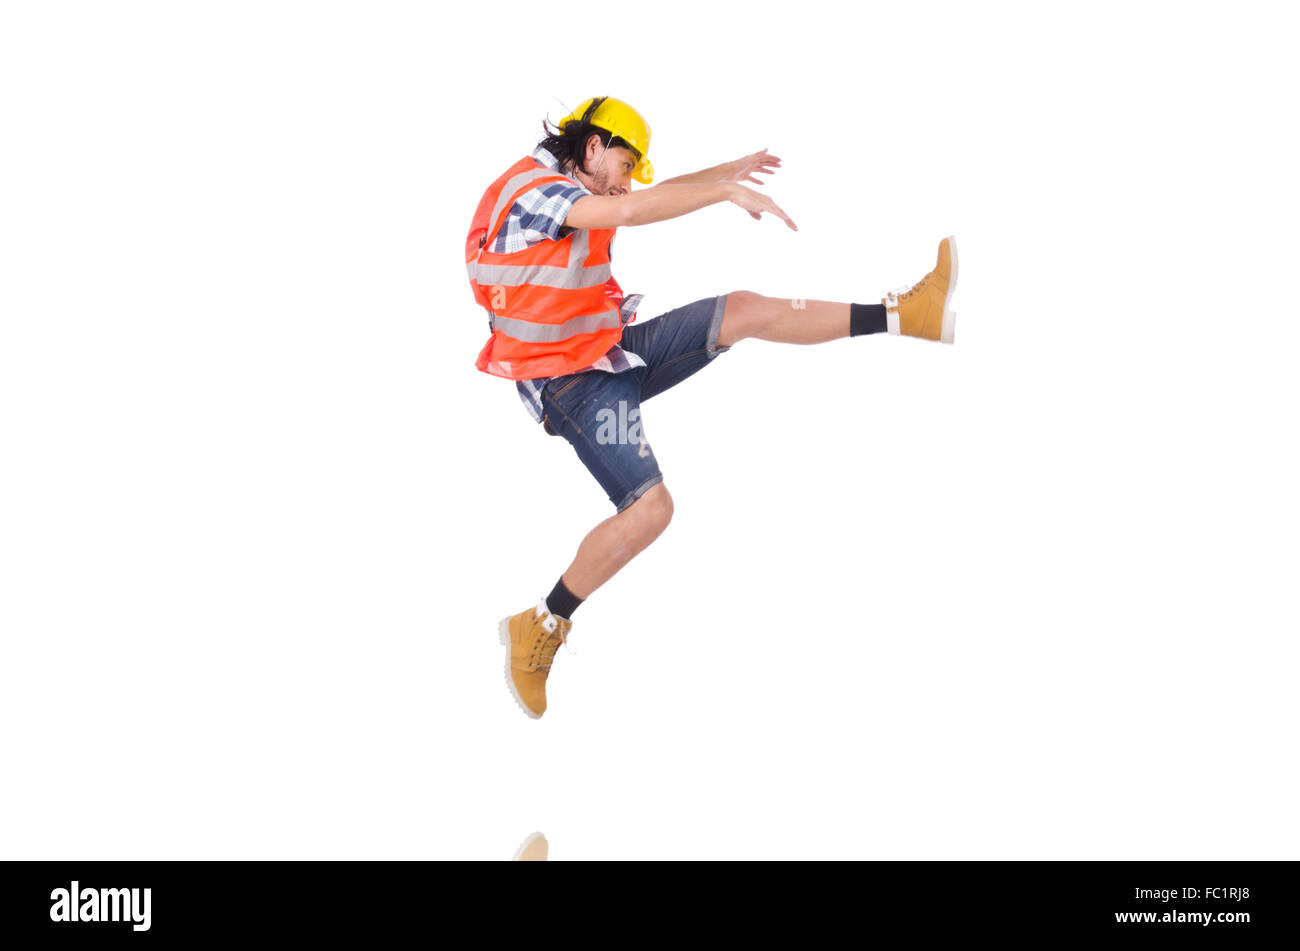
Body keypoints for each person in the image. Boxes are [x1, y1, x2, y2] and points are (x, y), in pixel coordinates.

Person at [466, 96, 958, 719]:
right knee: (651, 510)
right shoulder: (534, 193)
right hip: (571, 387)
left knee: (743, 308)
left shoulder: (581, 183)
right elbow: (636, 208)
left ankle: (907, 315)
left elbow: (642, 196)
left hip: (607, 350)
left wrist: (726, 171)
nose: (626, 183)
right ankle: (540, 624)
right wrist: (725, 193)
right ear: (592, 147)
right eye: (625, 165)